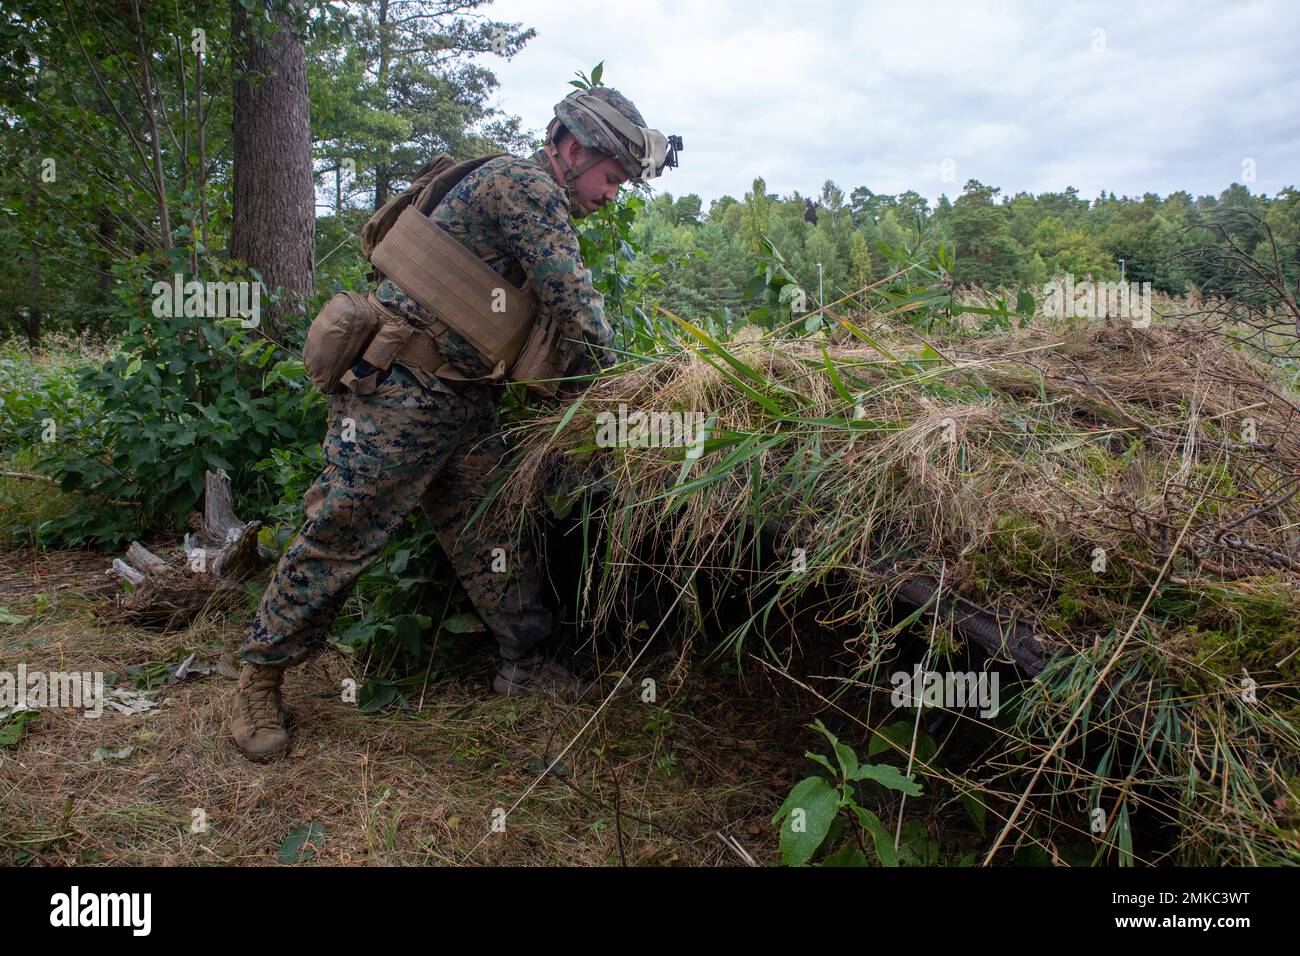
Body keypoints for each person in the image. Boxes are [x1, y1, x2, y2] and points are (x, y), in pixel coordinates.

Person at [230, 86, 679, 761]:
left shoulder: (516, 184)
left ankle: (525, 664)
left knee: (491, 532)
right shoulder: (525, 185)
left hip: (464, 401)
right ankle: (259, 680)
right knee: (342, 531)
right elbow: (573, 304)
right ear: (574, 149)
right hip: (403, 397)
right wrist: (626, 393)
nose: (613, 193)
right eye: (612, 177)